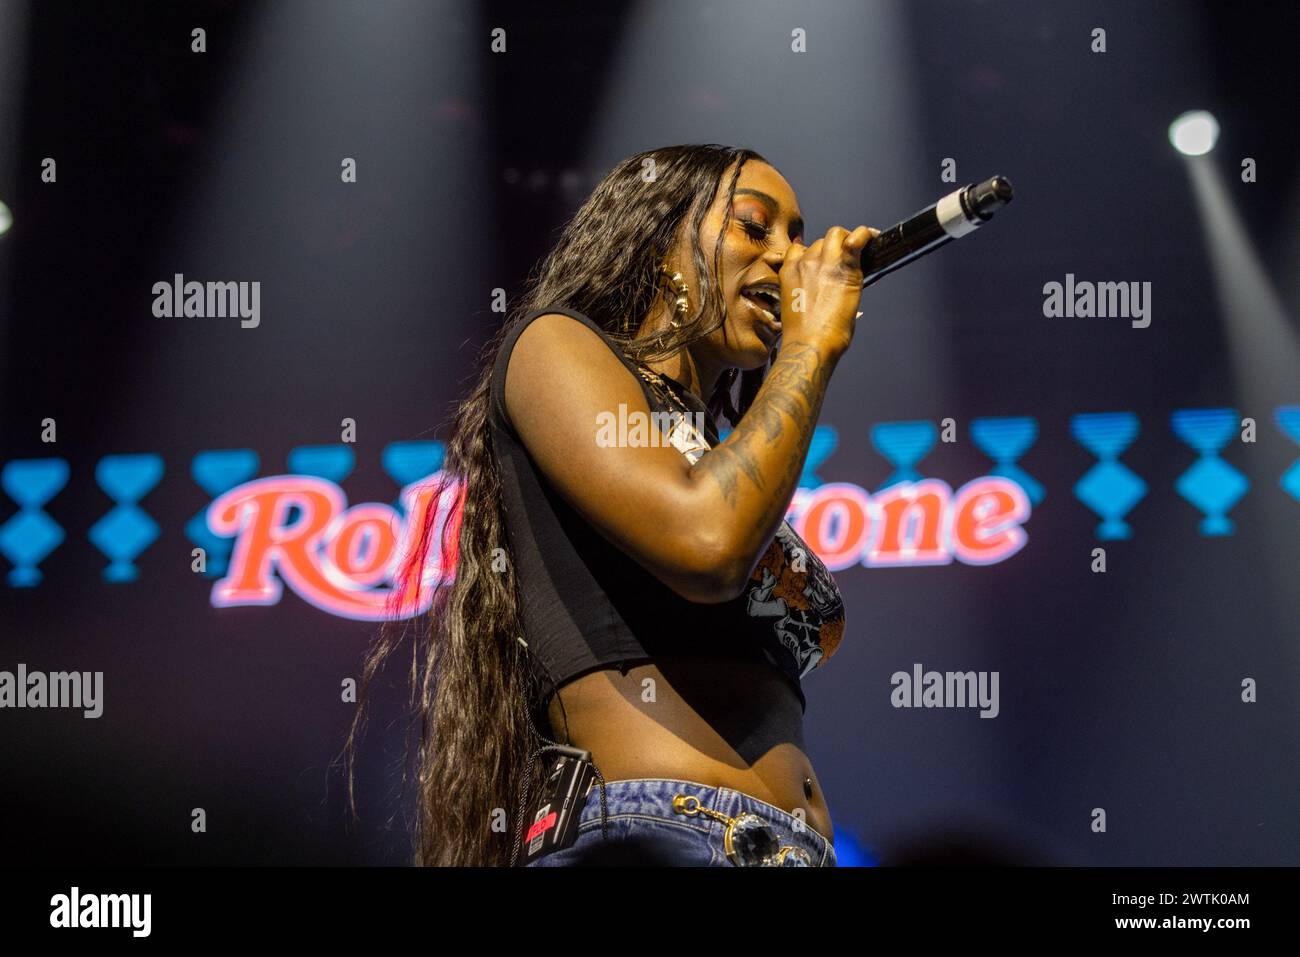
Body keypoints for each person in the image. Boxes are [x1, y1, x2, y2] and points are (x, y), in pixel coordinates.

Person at [342, 144, 876, 867]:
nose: (789, 255)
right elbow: (707, 543)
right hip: (658, 834)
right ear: (660, 245)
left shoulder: (709, 447)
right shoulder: (555, 347)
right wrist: (810, 348)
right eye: (756, 227)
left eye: (797, 235)